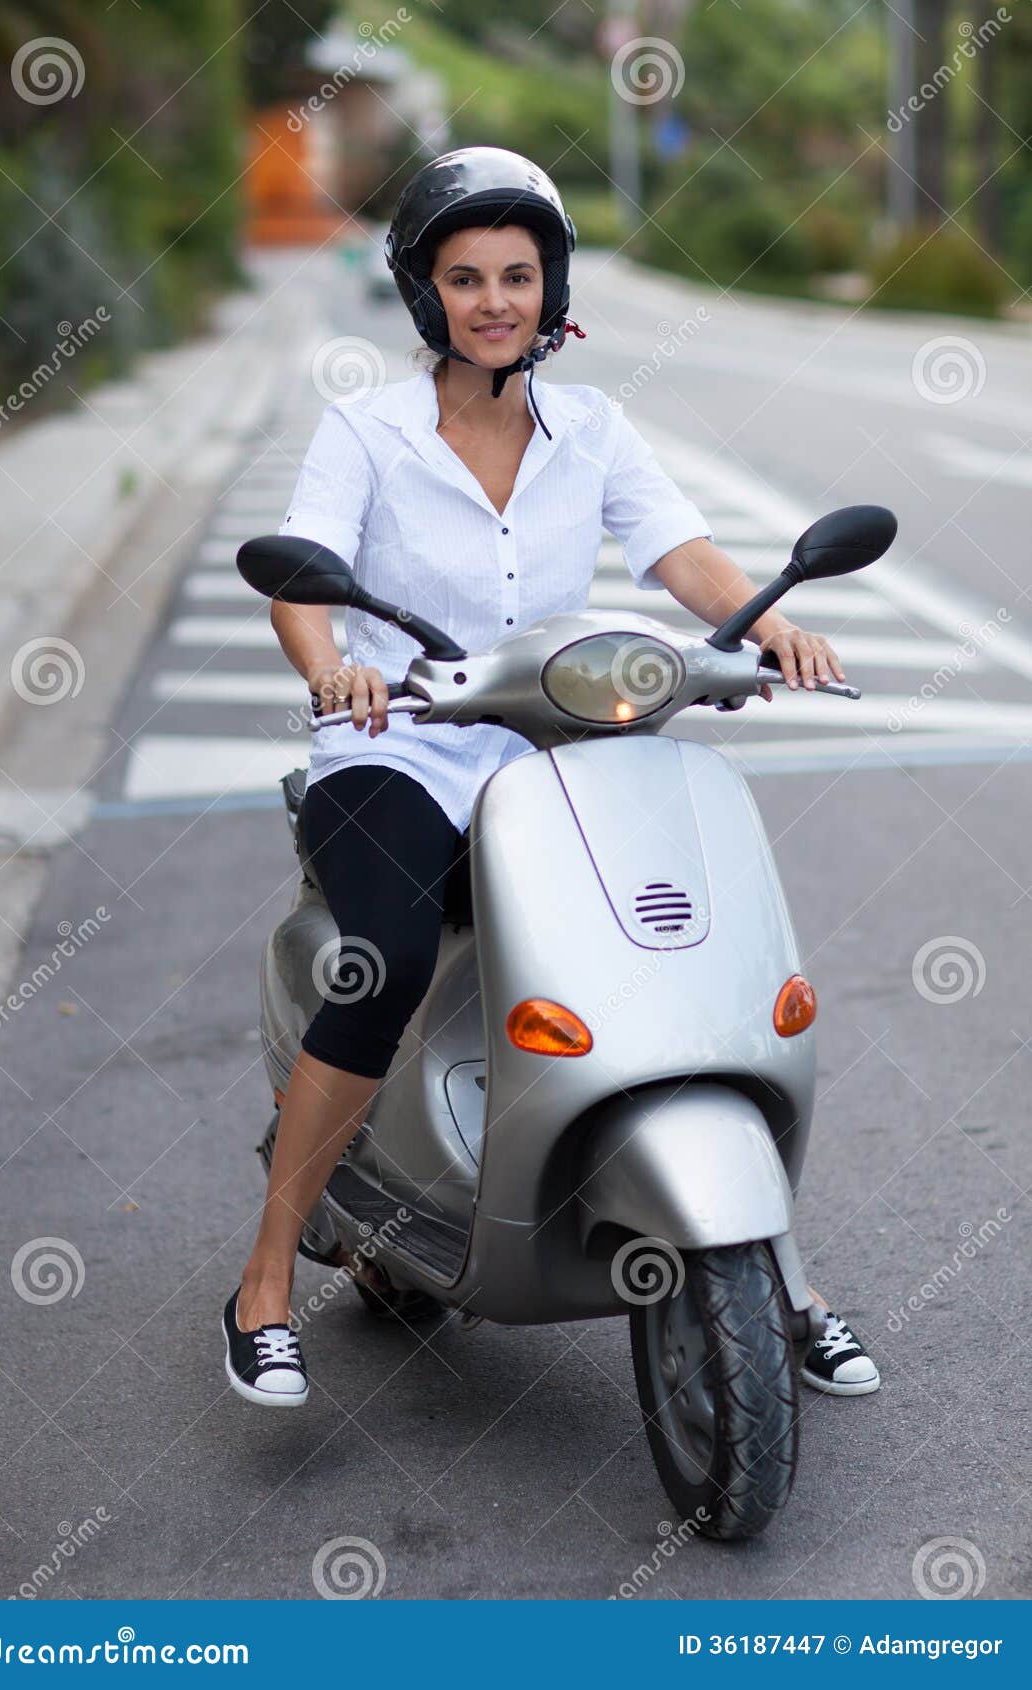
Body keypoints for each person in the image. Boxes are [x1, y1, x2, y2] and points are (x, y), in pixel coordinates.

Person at [221, 146, 879, 1407]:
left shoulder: (593, 429)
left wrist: (767, 622)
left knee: (678, 944)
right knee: (387, 963)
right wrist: (332, 675)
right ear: (425, 295)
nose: (493, 302)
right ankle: (260, 1283)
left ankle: (776, 1272)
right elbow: (301, 579)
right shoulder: (366, 430)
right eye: (464, 279)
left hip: (552, 748)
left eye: (516, 276)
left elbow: (679, 554)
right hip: (396, 749)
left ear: (549, 287)